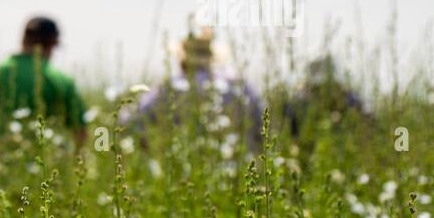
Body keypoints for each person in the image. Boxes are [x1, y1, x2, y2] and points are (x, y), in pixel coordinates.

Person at [126, 23, 263, 151]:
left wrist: (149, 147)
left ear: (182, 60)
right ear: (212, 57)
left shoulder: (170, 87)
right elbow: (262, 125)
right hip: (241, 169)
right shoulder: (239, 85)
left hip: (180, 169)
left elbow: (130, 121)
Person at [0, 16, 88, 147]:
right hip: (50, 163)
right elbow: (80, 133)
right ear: (52, 43)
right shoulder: (61, 81)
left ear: (24, 40)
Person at [284, 55, 369, 141]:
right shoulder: (301, 101)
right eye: (319, 88)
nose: (324, 92)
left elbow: (359, 107)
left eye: (329, 86)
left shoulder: (347, 97)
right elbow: (289, 112)